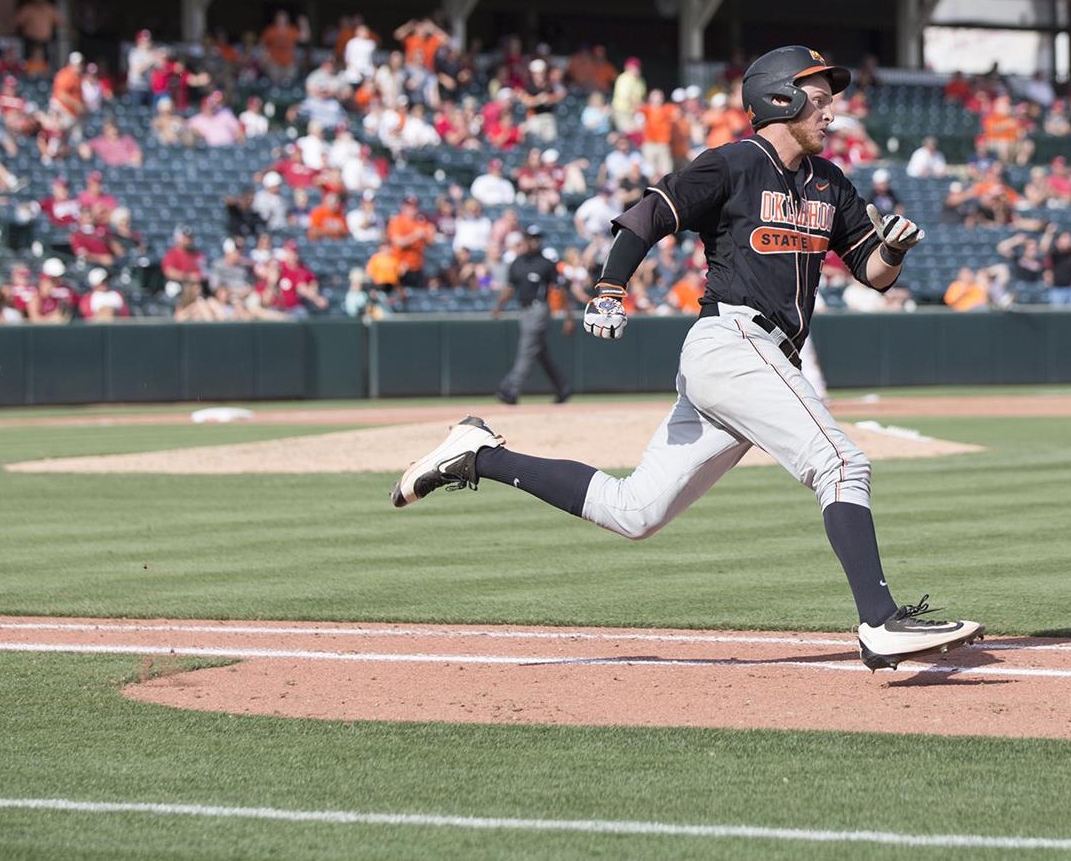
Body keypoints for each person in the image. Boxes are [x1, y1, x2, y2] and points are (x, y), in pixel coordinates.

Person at [391, 46, 983, 672]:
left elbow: (874, 274)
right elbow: (647, 216)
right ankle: (880, 623)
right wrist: (610, 288)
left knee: (634, 511)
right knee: (841, 463)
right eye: (819, 92)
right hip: (731, 343)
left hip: (754, 360)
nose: (831, 107)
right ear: (779, 97)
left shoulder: (829, 182)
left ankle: (477, 453)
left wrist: (891, 249)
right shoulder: (731, 164)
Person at [490, 225, 574, 405]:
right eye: (531, 238)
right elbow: (510, 288)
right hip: (524, 309)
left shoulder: (546, 263)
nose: (534, 241)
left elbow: (560, 291)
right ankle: (562, 387)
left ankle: (510, 389)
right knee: (539, 352)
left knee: (526, 349)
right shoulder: (517, 262)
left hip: (539, 309)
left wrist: (568, 316)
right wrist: (499, 306)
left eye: (537, 238)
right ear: (525, 240)